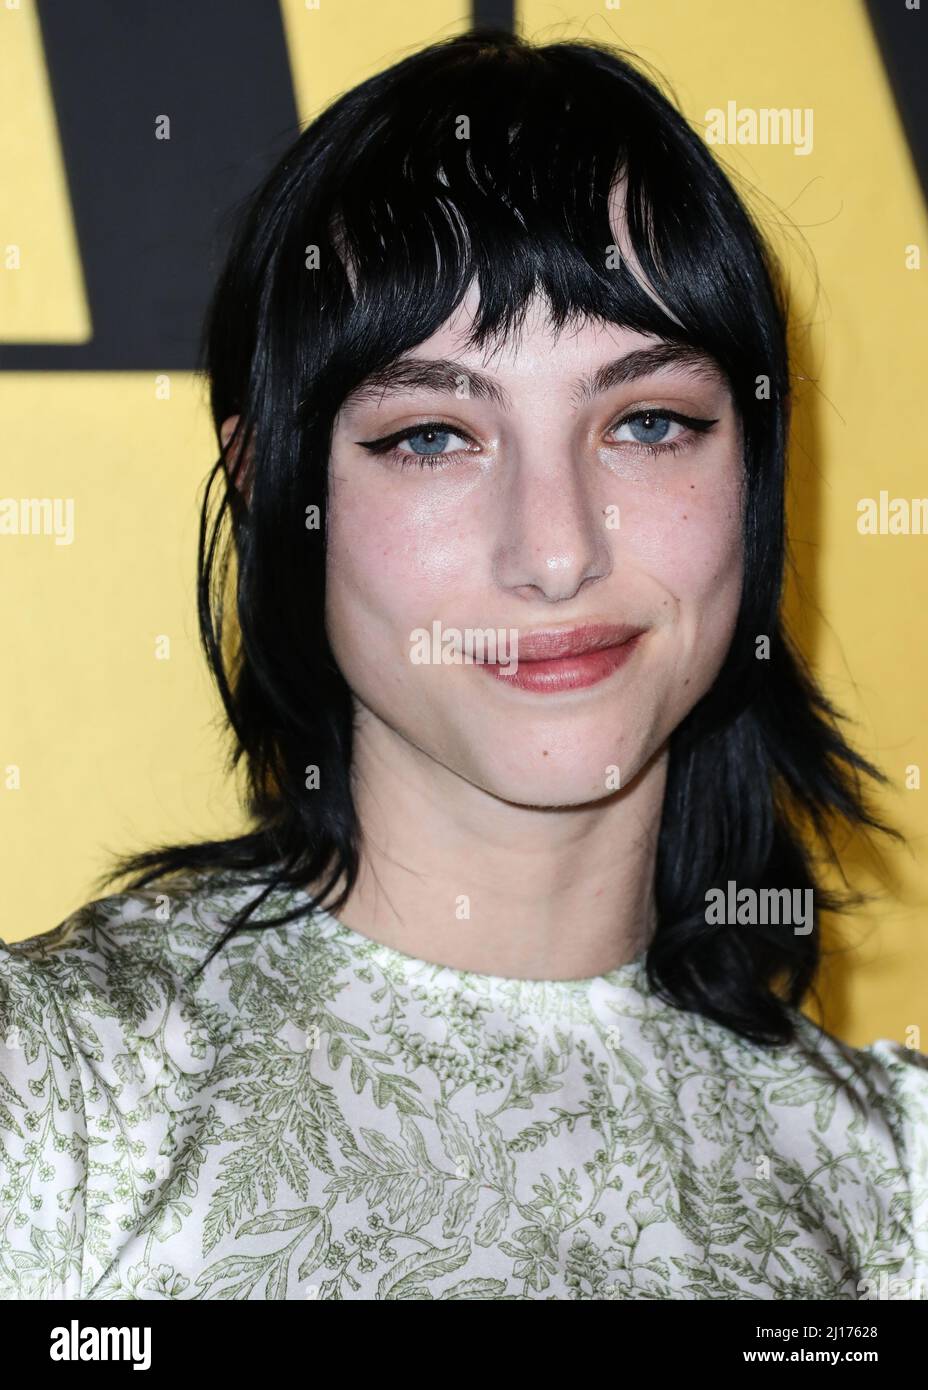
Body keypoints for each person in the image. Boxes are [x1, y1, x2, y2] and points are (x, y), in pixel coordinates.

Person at [1, 27, 926, 1302]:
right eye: (434, 435)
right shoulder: (56, 1091)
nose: (555, 553)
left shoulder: (889, 1187)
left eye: (647, 423)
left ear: (753, 479)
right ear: (272, 489)